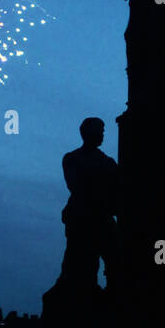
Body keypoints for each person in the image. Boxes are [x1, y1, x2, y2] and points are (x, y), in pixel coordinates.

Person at [59, 117, 119, 293]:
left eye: (102, 131)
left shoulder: (108, 163)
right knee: (80, 264)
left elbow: (116, 190)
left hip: (99, 217)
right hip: (83, 218)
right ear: (86, 133)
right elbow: (76, 186)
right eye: (99, 131)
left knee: (116, 256)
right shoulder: (72, 158)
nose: (102, 134)